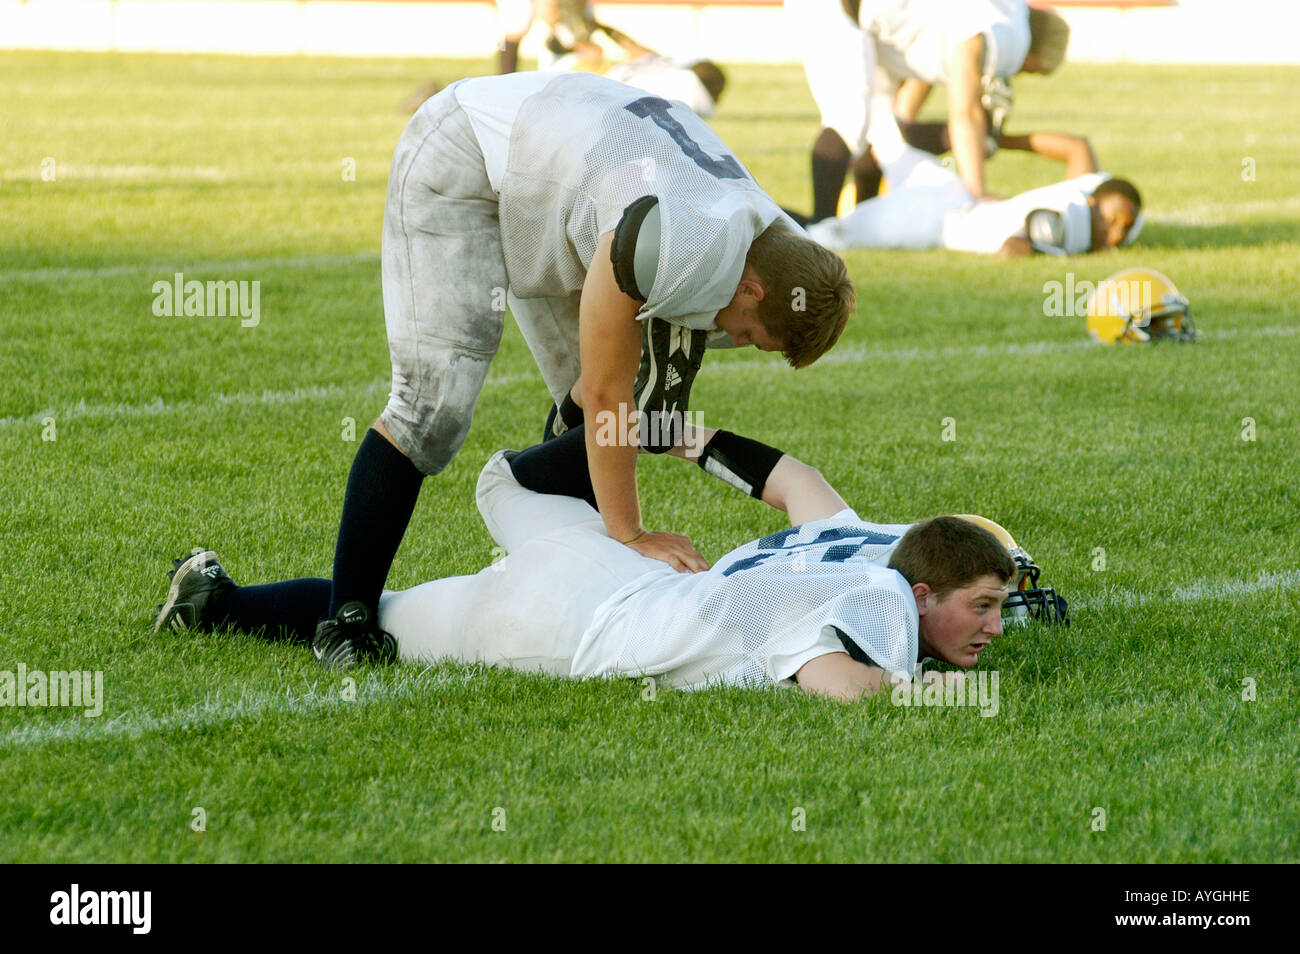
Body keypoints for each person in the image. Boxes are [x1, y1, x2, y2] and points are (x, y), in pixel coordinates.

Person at [305, 71, 855, 666]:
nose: (737, 341)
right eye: (751, 334)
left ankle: (543, 541)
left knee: (623, 418)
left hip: (571, 189)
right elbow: (605, 392)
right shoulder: (677, 242)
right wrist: (630, 533)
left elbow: (646, 415)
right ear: (750, 288)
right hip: (471, 153)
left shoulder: (768, 249)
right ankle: (348, 619)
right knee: (431, 408)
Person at [153, 425, 1020, 698]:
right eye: (982, 605)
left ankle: (215, 601)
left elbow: (795, 478)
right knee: (388, 620)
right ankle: (217, 606)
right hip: (566, 625)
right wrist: (947, 689)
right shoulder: (869, 590)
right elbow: (845, 687)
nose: (993, 623)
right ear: (916, 586)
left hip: (618, 568)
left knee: (499, 487)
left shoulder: (850, 534)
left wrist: (681, 434)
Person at [786, 0, 1071, 221]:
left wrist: (904, 130)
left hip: (864, 21)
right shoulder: (1009, 37)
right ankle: (819, 230)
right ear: (1035, 58)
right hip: (842, 9)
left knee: (881, 135)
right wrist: (977, 193)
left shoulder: (1004, 14)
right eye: (1032, 71)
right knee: (849, 122)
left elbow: (915, 93)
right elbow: (965, 109)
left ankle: (851, 224)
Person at [806, 138, 1143, 257]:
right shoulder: (1071, 218)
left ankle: (863, 185)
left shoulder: (1089, 192)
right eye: (1112, 222)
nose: (1115, 236)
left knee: (888, 141)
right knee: (821, 236)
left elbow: (1077, 146)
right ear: (1093, 203)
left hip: (952, 193)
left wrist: (1000, 138)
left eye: (1124, 231)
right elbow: (1013, 249)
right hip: (931, 219)